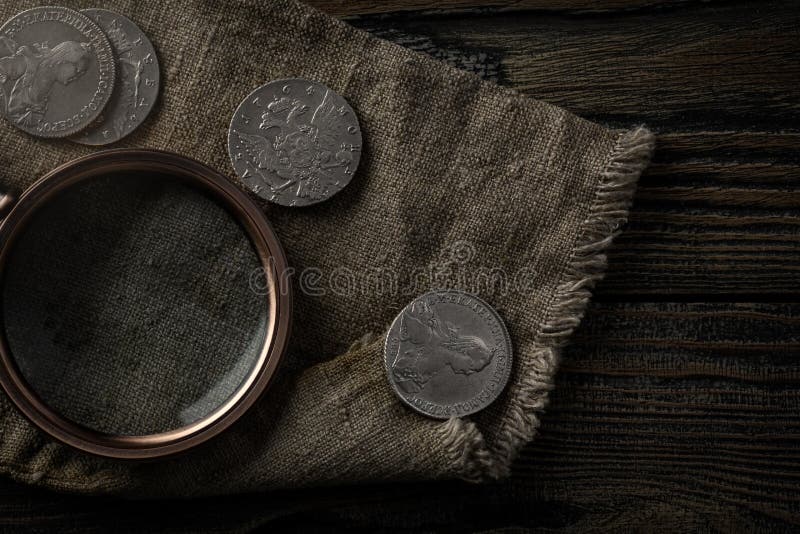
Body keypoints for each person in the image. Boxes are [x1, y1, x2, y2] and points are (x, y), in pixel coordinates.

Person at [0, 39, 91, 126]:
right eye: (77, 70)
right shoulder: (37, 83)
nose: (77, 77)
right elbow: (17, 114)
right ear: (62, 61)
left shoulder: (45, 83)